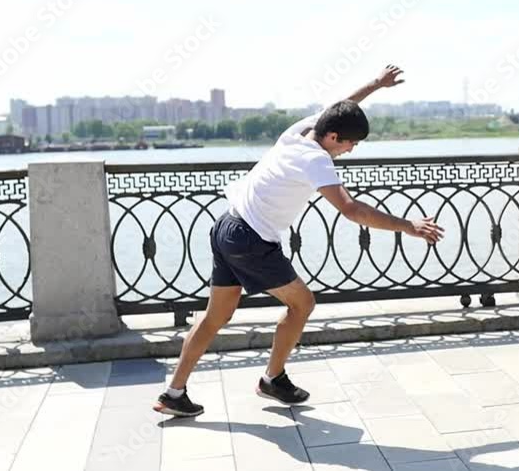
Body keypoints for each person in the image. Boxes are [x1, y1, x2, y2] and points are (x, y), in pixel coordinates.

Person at [154, 65, 444, 416]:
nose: (351, 151)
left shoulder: (303, 129)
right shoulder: (316, 160)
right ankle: (272, 379)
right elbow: (350, 209)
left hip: (227, 225)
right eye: (351, 143)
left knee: (215, 316)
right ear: (334, 137)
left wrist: (376, 85)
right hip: (250, 239)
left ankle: (173, 393)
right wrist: (408, 226)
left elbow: (341, 104)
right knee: (302, 303)